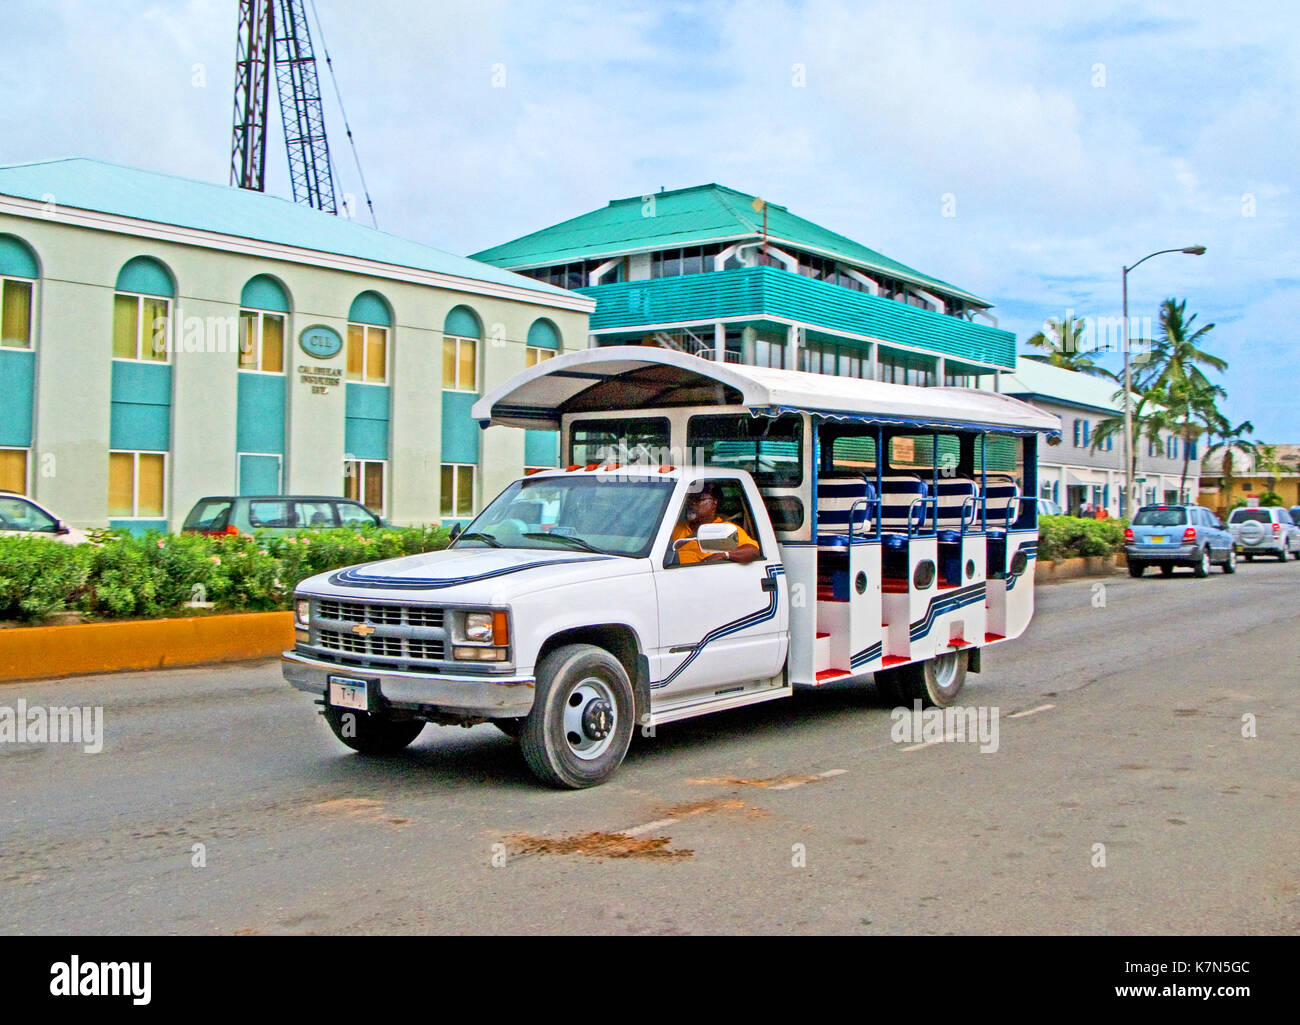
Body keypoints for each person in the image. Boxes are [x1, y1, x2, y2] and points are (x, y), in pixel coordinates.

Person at [670, 483, 761, 565]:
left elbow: (753, 551)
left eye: (698, 499)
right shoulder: (674, 528)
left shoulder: (726, 530)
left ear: (714, 503)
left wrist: (724, 555)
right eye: (690, 499)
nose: (692, 503)